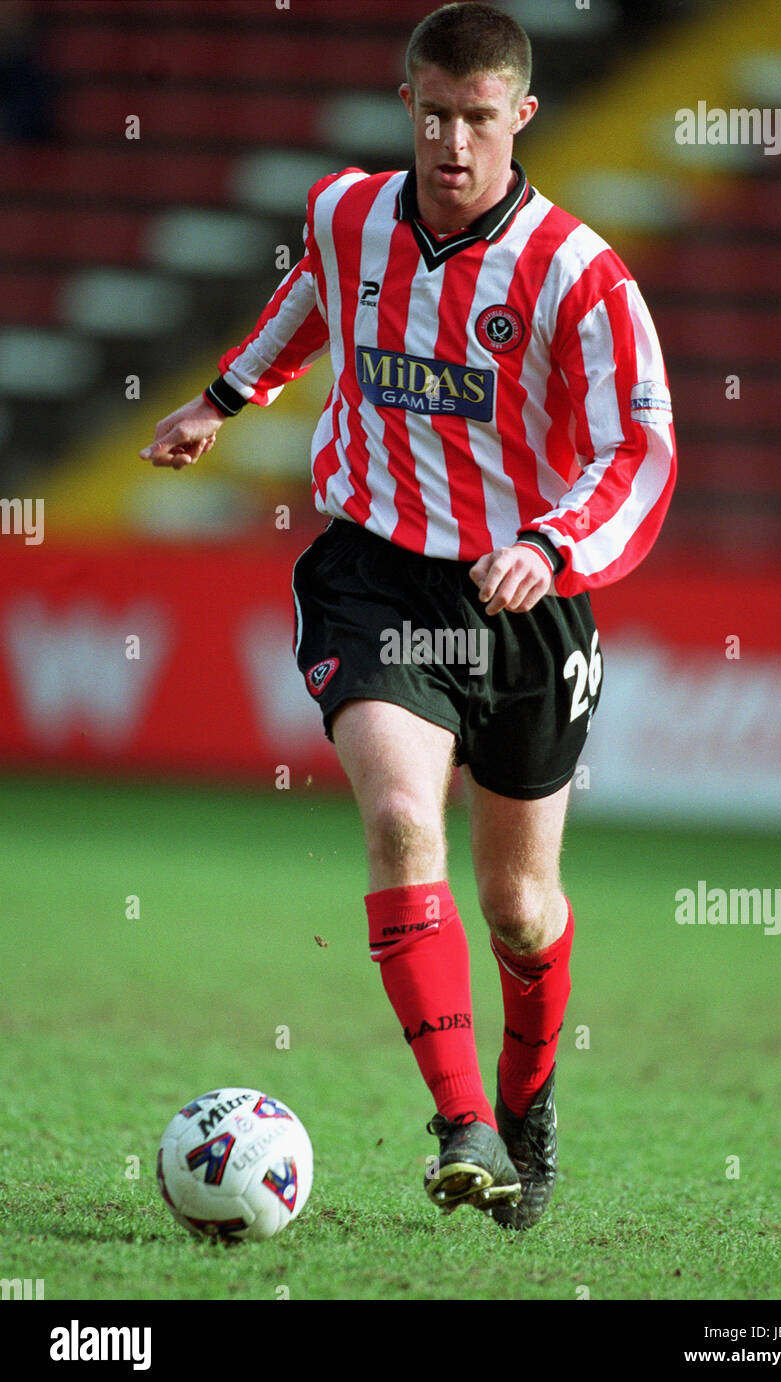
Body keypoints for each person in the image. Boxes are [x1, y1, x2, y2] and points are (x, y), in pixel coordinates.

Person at [140, 2, 676, 1230]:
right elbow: (312, 304)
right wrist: (224, 396)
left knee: (518, 910)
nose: (448, 143)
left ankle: (524, 1101)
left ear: (519, 118)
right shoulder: (347, 212)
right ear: (407, 105)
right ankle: (459, 1124)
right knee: (396, 817)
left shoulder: (578, 276)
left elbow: (636, 454)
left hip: (522, 602)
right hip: (374, 575)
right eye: (430, 115)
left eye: (475, 120)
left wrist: (550, 544)